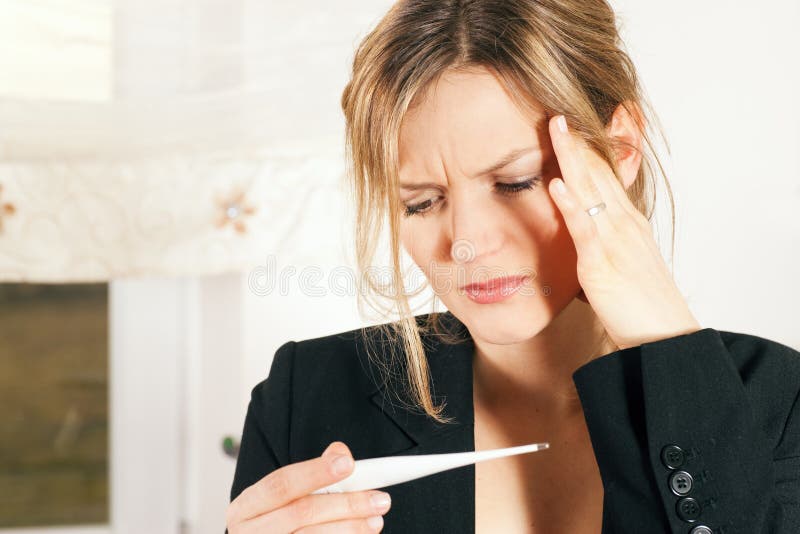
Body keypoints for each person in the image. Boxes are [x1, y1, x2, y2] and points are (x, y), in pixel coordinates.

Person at [225, 1, 800, 532]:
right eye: (420, 202)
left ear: (619, 150)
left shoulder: (779, 404)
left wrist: (665, 344)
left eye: (514, 182)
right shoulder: (304, 398)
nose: (466, 244)